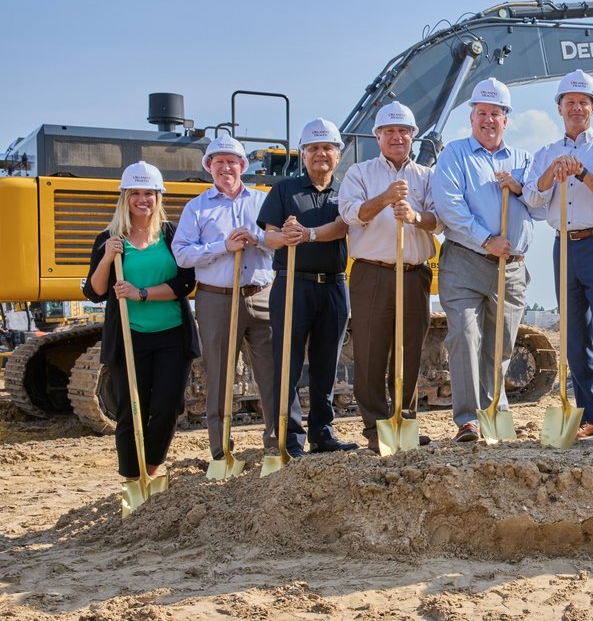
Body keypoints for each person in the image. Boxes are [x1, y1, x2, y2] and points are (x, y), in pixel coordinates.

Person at [524, 70, 593, 444]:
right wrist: (549, 176)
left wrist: (583, 174)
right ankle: (592, 414)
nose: (576, 108)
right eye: (569, 102)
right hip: (564, 245)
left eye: (583, 102)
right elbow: (532, 198)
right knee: (572, 334)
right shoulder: (545, 153)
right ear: (559, 108)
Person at [431, 78, 538, 443]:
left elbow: (541, 207)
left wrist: (520, 188)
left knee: (501, 343)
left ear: (506, 119)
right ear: (471, 117)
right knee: (465, 335)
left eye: (496, 113)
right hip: (465, 261)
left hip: (512, 267)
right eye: (482, 113)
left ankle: (494, 410)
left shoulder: (524, 160)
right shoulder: (454, 155)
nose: (489, 120)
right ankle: (468, 419)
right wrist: (486, 239)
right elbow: (449, 205)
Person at [83, 161, 200, 480]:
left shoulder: (172, 235)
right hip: (129, 338)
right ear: (125, 197)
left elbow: (185, 284)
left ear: (158, 197)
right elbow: (95, 292)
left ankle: (151, 469)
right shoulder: (109, 238)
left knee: (168, 407)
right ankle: (133, 479)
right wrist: (108, 257)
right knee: (132, 409)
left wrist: (141, 293)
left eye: (149, 193)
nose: (142, 199)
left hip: (172, 336)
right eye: (135, 193)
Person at [339, 102, 440, 451]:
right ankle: (375, 427)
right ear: (378, 136)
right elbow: (351, 214)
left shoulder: (427, 176)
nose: (397, 137)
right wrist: (385, 198)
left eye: (404, 131)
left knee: (409, 350)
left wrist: (415, 217)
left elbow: (439, 221)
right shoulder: (359, 173)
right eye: (390, 132)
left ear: (413, 136)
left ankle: (404, 420)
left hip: (413, 273)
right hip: (373, 272)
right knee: (371, 351)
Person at [172, 134, 275, 460]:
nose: (225, 167)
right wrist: (223, 247)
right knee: (218, 375)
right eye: (219, 162)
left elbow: (281, 242)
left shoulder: (262, 201)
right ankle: (221, 451)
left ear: (243, 165)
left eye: (232, 161)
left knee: (273, 373)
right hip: (216, 299)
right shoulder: (197, 208)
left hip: (261, 295)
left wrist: (257, 238)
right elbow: (182, 254)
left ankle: (278, 443)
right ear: (209, 167)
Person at [257, 118, 355, 456]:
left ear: (338, 154)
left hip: (333, 286)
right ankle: (290, 438)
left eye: (327, 148)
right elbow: (269, 236)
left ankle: (322, 433)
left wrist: (308, 234)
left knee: (327, 364)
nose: (320, 154)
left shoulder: (346, 192)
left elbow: (344, 226)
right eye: (313, 148)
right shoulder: (285, 190)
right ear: (303, 154)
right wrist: (284, 236)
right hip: (292, 285)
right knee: (288, 363)